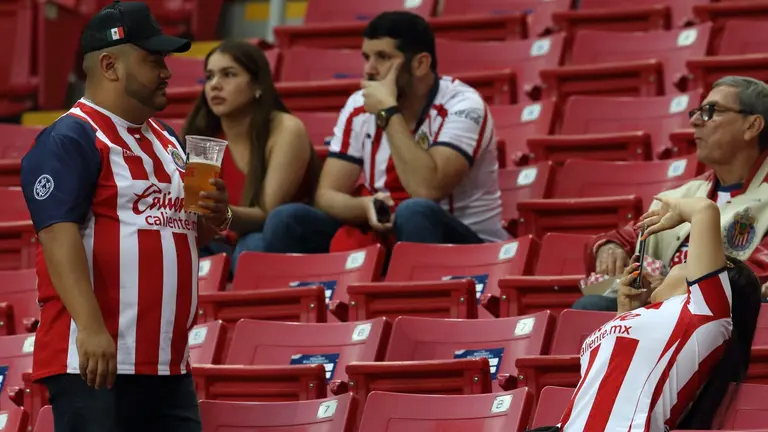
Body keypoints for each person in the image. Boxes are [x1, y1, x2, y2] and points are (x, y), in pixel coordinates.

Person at [19, 2, 234, 431]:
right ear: (110, 65)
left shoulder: (167, 139)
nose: (167, 72)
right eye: (154, 60)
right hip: (96, 359)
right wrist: (91, 329)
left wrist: (218, 215)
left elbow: (185, 231)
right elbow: (57, 236)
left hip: (168, 363)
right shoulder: (70, 137)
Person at [258, 11, 508, 254]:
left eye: (383, 57)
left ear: (420, 64)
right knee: (285, 220)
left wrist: (388, 112)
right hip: (387, 231)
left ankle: (415, 283)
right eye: (366, 57)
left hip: (468, 244)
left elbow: (427, 189)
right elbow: (327, 195)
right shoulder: (359, 105)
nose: (369, 70)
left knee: (414, 212)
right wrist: (365, 206)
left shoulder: (463, 106)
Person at [557, 196, 761, 431]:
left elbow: (703, 209)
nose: (684, 262)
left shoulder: (705, 317)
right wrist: (626, 314)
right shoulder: (655, 320)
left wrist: (673, 209)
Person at [576, 76, 768, 311]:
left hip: (726, 318)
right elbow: (628, 237)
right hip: (666, 310)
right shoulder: (685, 193)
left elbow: (755, 277)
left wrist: (673, 286)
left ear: (752, 126)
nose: (695, 121)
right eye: (696, 112)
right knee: (590, 306)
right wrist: (609, 247)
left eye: (711, 111)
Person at [184, 39, 321, 271]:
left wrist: (223, 214)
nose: (215, 85)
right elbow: (198, 214)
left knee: (252, 247)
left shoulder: (285, 129)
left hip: (280, 237)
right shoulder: (202, 133)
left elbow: (267, 214)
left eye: (228, 74)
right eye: (209, 76)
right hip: (221, 240)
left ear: (258, 85)